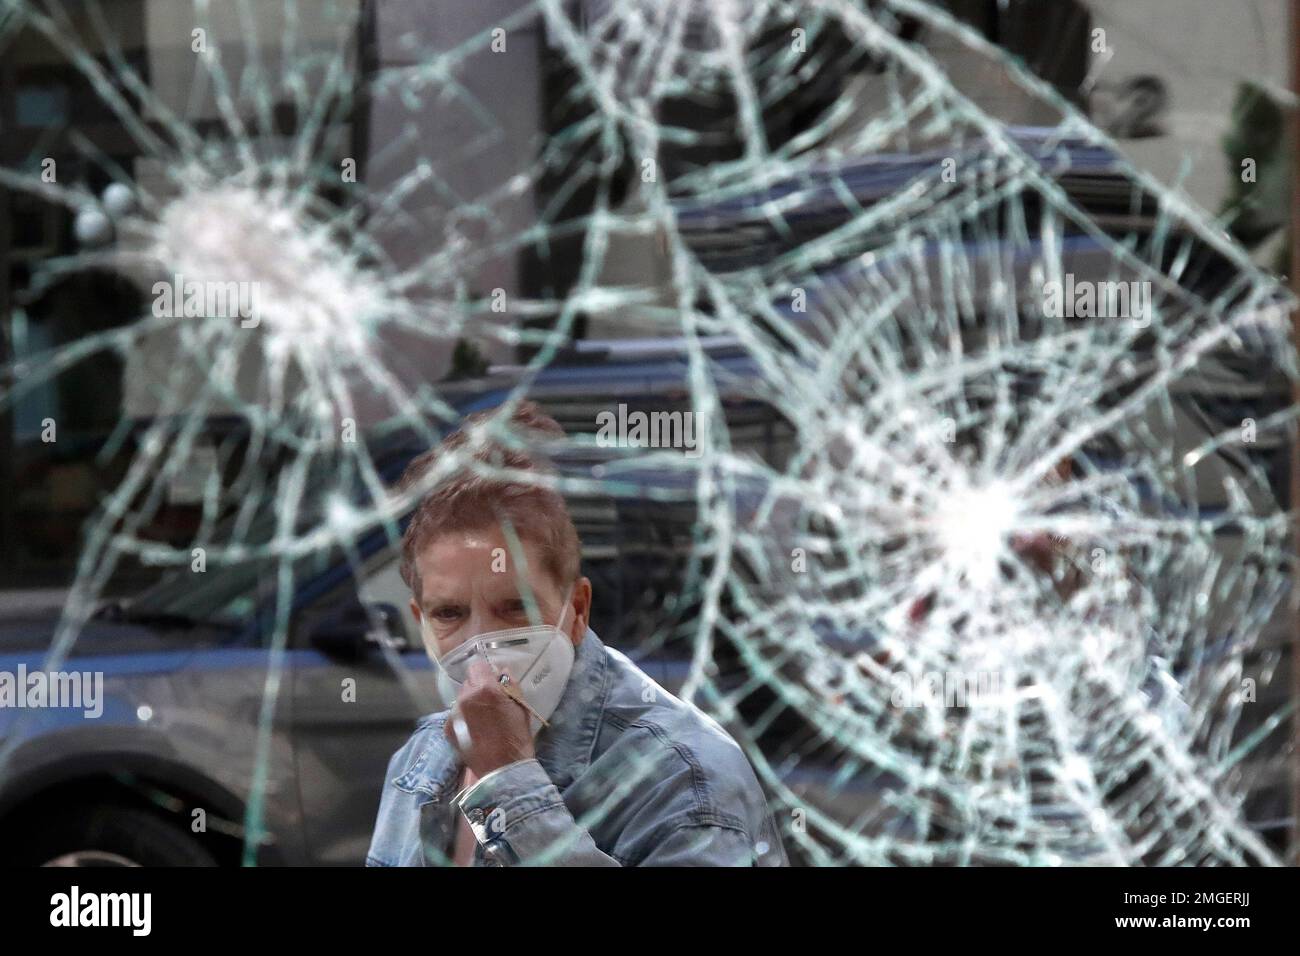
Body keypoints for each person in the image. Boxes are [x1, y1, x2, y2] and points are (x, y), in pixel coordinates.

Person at [366, 401, 787, 866]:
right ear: (420, 620)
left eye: (516, 608)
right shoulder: (419, 759)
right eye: (449, 614)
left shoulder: (686, 781)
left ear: (578, 610)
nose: (482, 651)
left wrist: (506, 778)